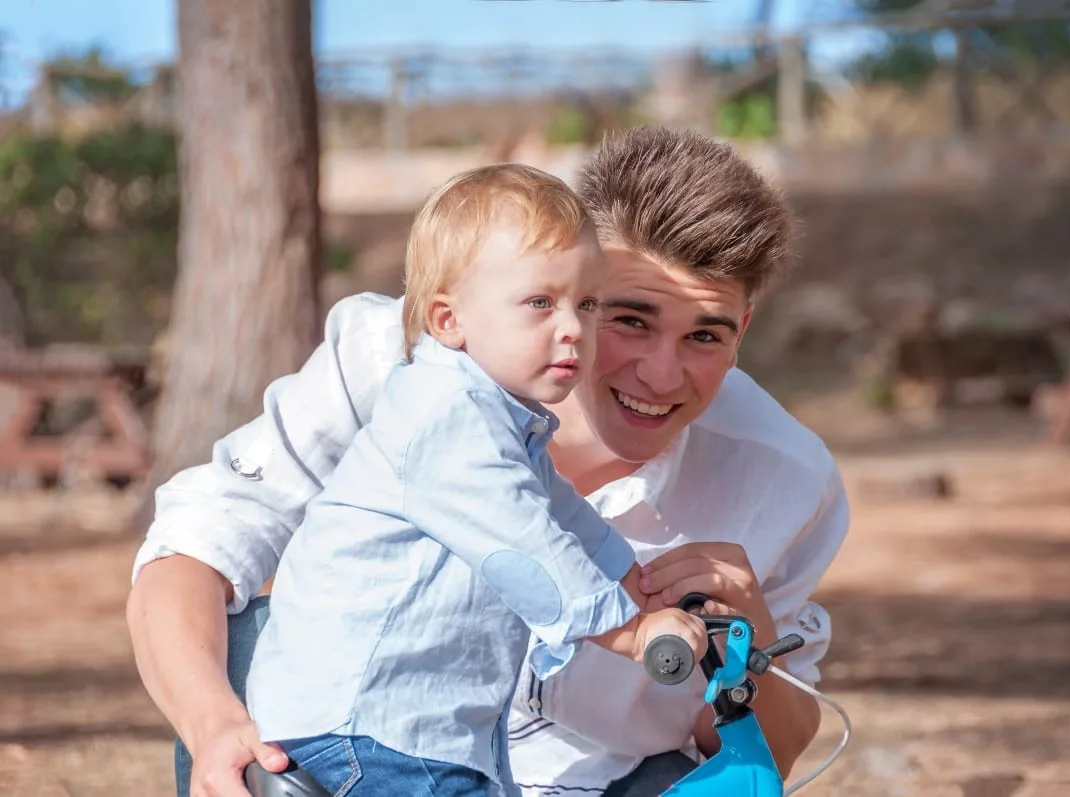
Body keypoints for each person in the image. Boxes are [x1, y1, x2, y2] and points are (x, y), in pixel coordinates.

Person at [127, 125, 851, 797]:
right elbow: (195, 549)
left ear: (744, 328)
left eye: (705, 336)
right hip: (361, 744)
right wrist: (212, 723)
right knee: (256, 627)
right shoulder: (404, 364)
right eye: (629, 318)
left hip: (588, 778)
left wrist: (747, 633)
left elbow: (764, 756)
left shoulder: (785, 478)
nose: (661, 375)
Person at [241, 163, 708, 796]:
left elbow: (561, 515)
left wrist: (637, 583)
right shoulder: (446, 417)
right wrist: (630, 631)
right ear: (448, 320)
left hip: (413, 730)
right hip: (369, 728)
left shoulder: (500, 418)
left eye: (588, 303)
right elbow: (526, 547)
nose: (573, 327)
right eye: (540, 303)